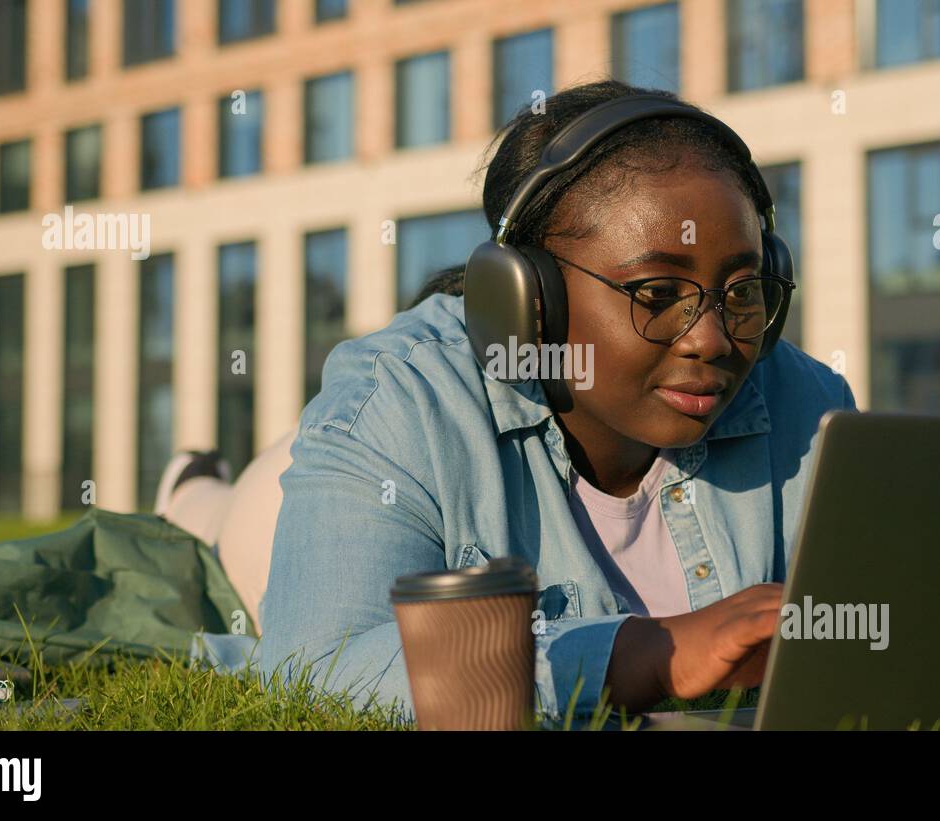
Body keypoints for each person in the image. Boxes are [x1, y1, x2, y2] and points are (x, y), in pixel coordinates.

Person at [210, 79, 856, 721]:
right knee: (218, 517)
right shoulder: (392, 400)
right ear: (527, 299)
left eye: (742, 290)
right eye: (657, 294)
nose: (711, 339)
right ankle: (194, 487)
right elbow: (320, 663)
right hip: (268, 516)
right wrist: (647, 652)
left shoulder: (810, 400)